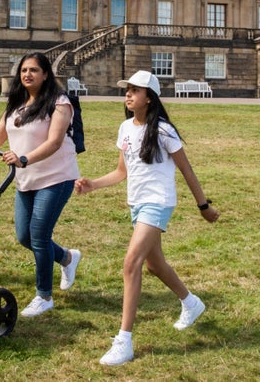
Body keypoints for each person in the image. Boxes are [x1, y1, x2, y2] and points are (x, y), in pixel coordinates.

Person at [74, 70, 220, 366]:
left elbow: (187, 170)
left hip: (159, 202)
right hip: (137, 204)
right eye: (127, 90)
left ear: (149, 98)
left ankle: (124, 340)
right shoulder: (125, 128)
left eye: (134, 91)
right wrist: (93, 184)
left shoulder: (165, 131)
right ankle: (191, 303)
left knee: (131, 263)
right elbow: (121, 172)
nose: (128, 95)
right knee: (155, 265)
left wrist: (203, 206)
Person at [0, 52, 82, 318]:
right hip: (25, 178)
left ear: (45, 74)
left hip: (56, 177)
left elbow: (54, 142)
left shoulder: (59, 103)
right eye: (23, 70)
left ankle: (44, 296)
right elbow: (0, 133)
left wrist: (24, 158)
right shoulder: (17, 102)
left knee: (39, 235)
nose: (27, 74)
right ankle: (66, 257)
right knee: (25, 236)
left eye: (33, 70)